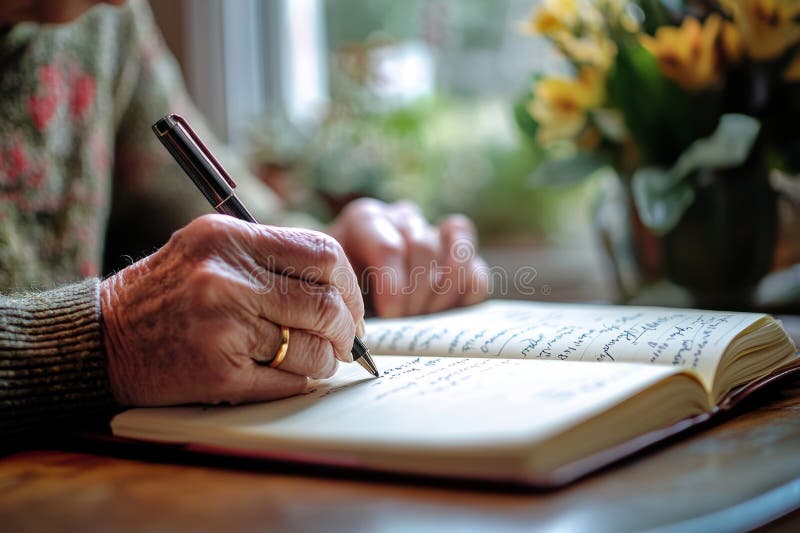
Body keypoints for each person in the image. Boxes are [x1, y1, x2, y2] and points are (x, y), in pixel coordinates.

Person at [0, 0, 489, 439]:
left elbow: (225, 234)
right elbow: (145, 312)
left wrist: (341, 257)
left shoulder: (104, 17)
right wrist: (105, 339)